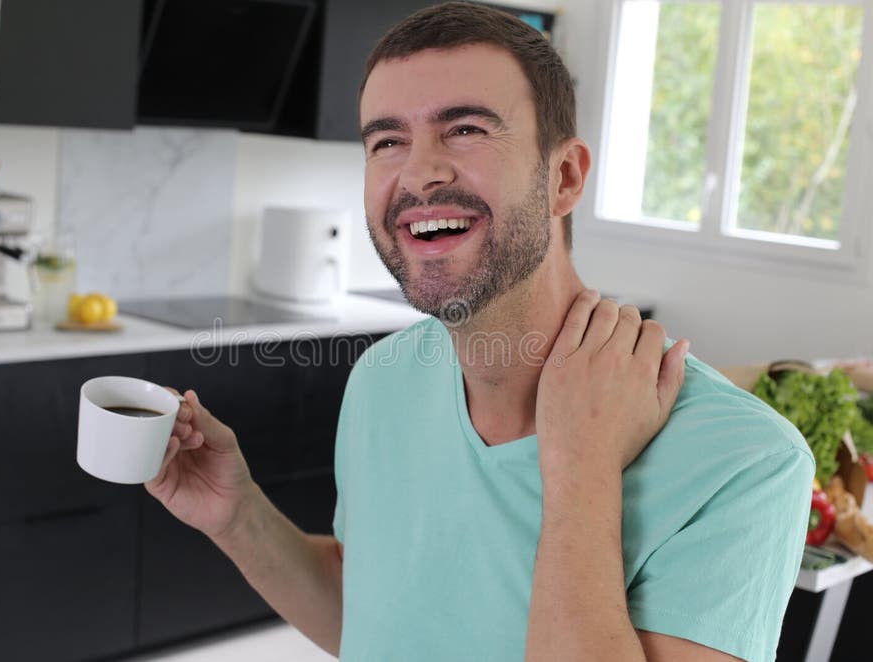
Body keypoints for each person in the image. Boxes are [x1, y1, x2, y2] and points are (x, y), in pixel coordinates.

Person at [145, 3, 814, 660]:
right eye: (387, 141)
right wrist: (239, 517)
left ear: (566, 176)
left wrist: (579, 471)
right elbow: (371, 616)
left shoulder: (745, 462)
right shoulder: (382, 380)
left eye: (464, 129)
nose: (417, 172)